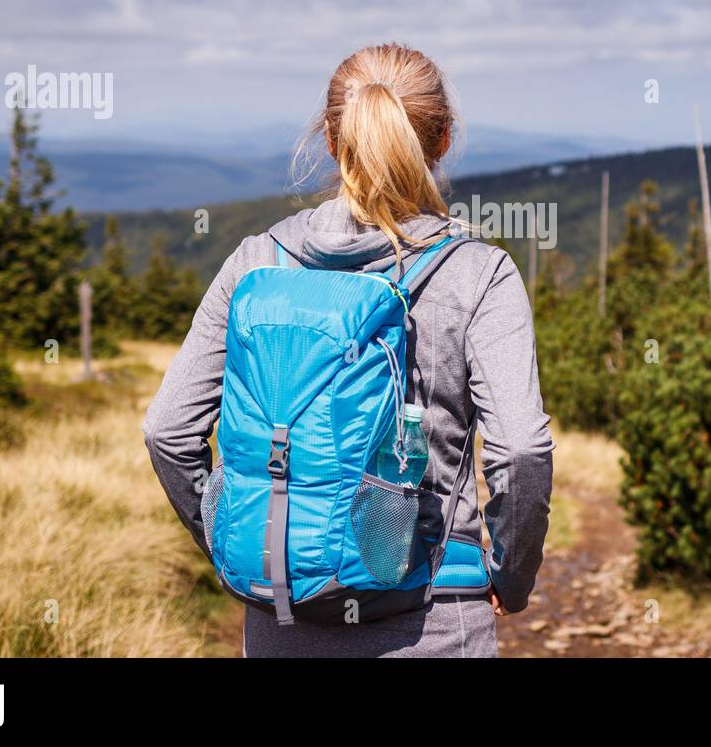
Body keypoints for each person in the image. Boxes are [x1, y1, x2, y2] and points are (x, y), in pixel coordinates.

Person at [143, 42, 554, 657]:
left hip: (284, 624)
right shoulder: (478, 274)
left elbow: (167, 432)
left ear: (332, 142)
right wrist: (512, 579)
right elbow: (521, 451)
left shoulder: (256, 261)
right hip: (434, 621)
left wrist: (250, 544)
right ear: (442, 140)